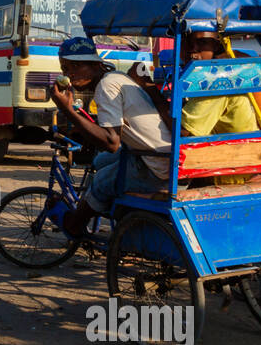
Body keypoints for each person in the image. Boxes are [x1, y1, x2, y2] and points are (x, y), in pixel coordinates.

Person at [51, 37, 172, 238]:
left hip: (156, 167)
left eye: (76, 66)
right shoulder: (115, 77)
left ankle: (74, 224)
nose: (69, 74)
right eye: (65, 68)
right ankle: (103, 206)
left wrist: (68, 110)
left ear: (96, 64)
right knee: (100, 161)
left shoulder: (106, 87)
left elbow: (111, 142)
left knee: (101, 180)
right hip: (159, 156)